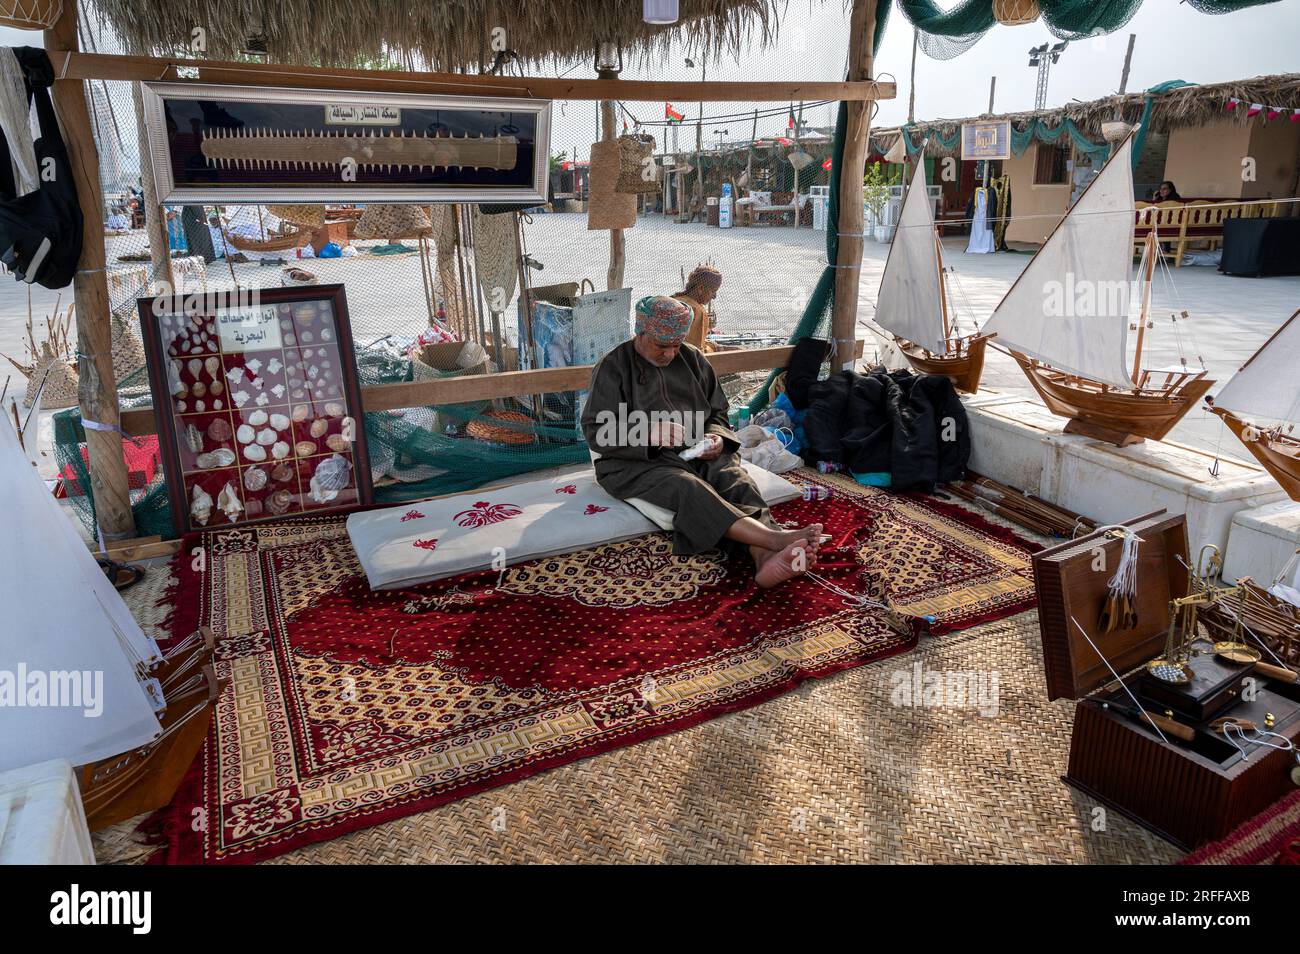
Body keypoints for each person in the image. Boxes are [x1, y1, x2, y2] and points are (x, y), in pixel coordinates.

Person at [581, 295, 822, 589]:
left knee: (734, 478)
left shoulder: (693, 358)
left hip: (696, 450)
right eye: (661, 346)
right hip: (635, 462)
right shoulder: (613, 367)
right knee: (688, 487)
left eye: (675, 345)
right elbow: (596, 430)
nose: (670, 354)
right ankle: (774, 538)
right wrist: (646, 432)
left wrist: (717, 438)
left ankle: (763, 559)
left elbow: (718, 411)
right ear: (640, 332)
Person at [672, 264, 723, 352]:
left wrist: (708, 344)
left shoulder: (674, 300)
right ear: (701, 288)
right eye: (713, 291)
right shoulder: (697, 311)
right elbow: (695, 352)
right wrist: (712, 348)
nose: (714, 296)